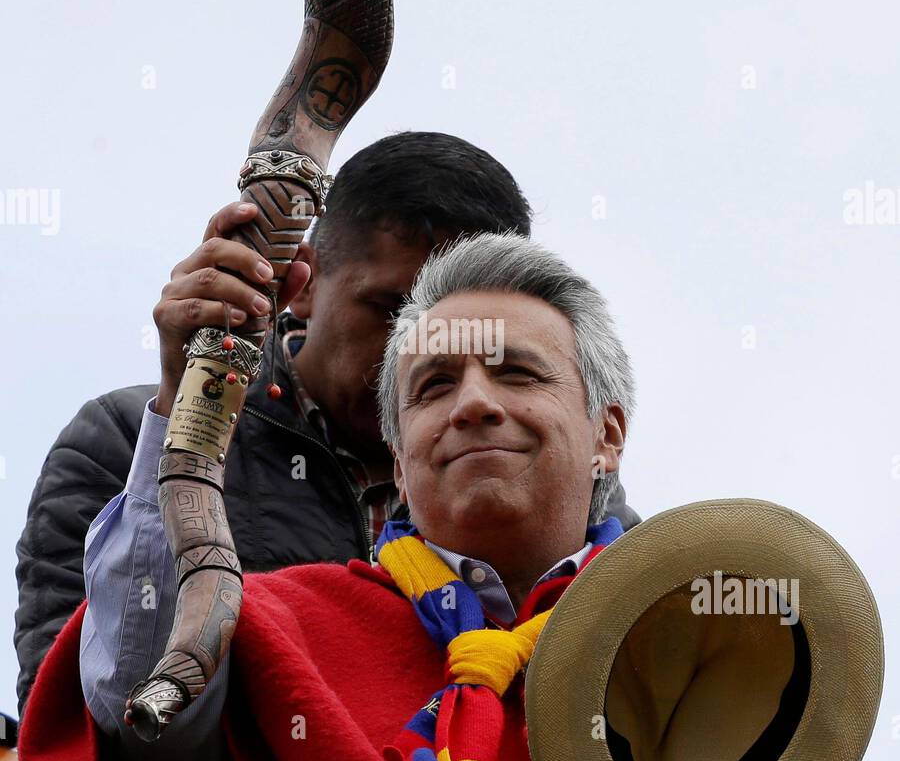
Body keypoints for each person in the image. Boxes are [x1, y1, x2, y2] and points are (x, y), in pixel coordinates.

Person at [20, 233, 900, 761]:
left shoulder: (701, 632)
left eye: (517, 372)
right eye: (435, 387)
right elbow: (139, 706)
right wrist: (190, 403)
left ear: (608, 436)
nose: (475, 401)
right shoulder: (284, 620)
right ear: (399, 466)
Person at [12, 131, 641, 718]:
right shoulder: (127, 441)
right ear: (302, 282)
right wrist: (192, 408)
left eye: (487, 344)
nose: (417, 344)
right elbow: (73, 724)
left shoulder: (597, 519)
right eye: (390, 308)